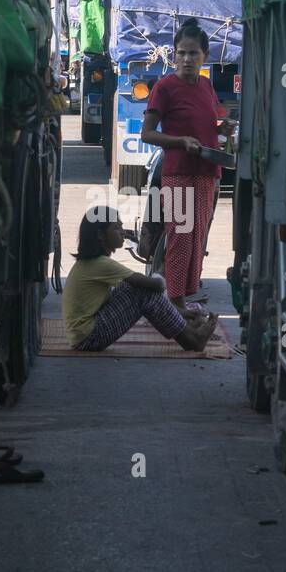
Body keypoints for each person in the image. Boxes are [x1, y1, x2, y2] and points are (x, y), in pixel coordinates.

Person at [140, 18, 232, 316]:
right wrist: (180, 141)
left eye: (193, 53)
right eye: (181, 53)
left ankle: (186, 296)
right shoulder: (165, 87)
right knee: (180, 237)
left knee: (196, 240)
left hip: (206, 173)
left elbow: (206, 125)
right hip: (178, 173)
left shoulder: (206, 86)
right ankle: (174, 303)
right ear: (174, 55)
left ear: (205, 56)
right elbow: (147, 134)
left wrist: (221, 128)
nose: (187, 59)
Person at [63, 206, 217, 352]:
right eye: (116, 228)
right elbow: (156, 285)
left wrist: (183, 312)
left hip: (83, 336)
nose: (123, 232)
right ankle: (192, 340)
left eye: (121, 226)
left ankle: (186, 327)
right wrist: (162, 270)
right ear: (101, 235)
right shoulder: (100, 264)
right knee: (142, 290)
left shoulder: (91, 263)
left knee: (134, 286)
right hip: (88, 338)